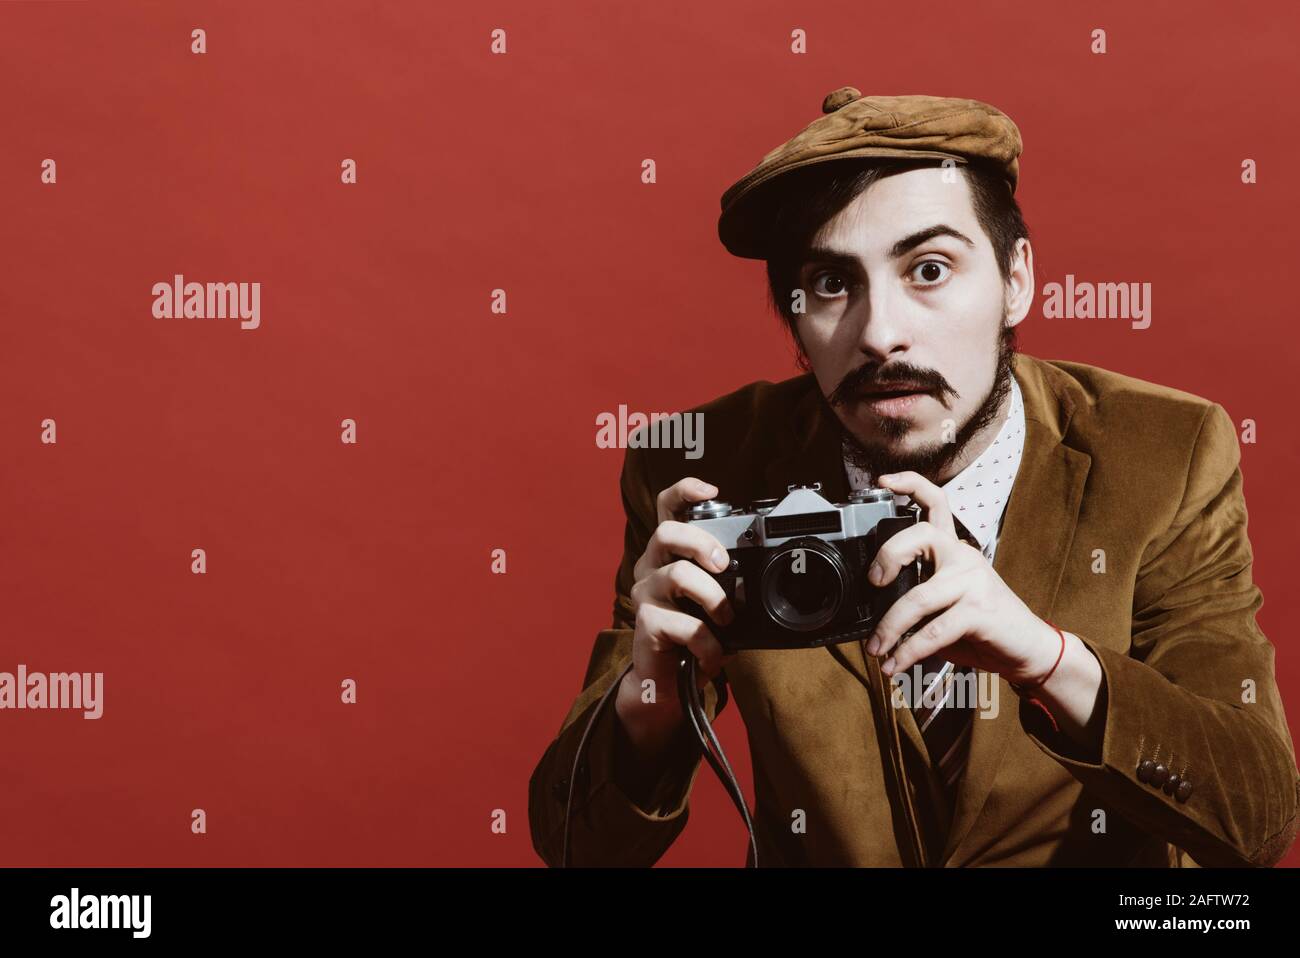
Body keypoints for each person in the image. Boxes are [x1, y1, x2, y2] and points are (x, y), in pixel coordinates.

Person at [528, 89, 1300, 866]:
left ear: (1016, 279)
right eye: (832, 285)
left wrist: (1048, 659)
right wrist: (648, 703)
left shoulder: (1164, 452)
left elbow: (1259, 819)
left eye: (929, 269)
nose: (881, 336)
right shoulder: (703, 467)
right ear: (794, 317)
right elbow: (580, 852)